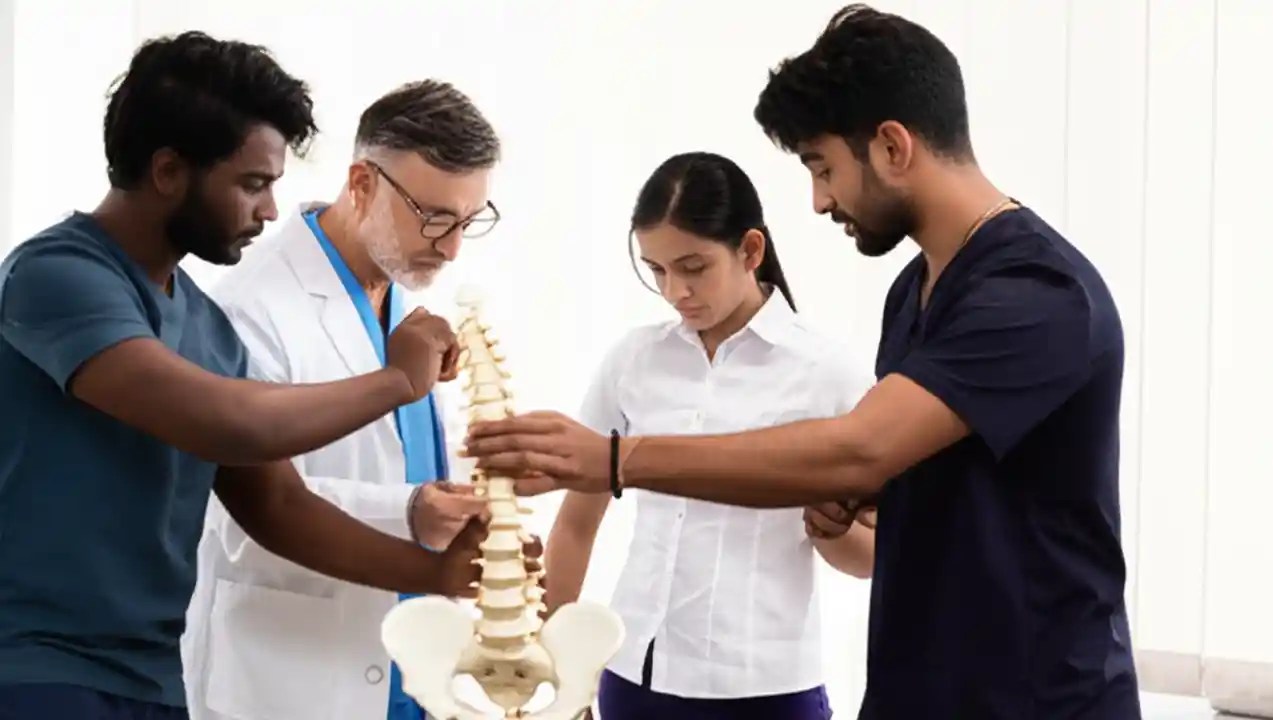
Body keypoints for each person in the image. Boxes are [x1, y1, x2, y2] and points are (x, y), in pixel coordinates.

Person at [463, 5, 1141, 720]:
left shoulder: (1036, 293)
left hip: (1036, 699)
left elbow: (860, 447)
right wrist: (859, 507)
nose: (818, 201)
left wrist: (615, 459)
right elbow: (919, 481)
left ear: (892, 146)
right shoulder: (914, 293)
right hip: (920, 688)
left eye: (824, 168)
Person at [0, 32, 493, 720]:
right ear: (169, 171)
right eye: (253, 184)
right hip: (40, 667)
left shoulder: (204, 326)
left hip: (150, 677)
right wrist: (396, 382)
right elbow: (231, 423)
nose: (268, 209)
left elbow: (277, 505)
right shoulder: (56, 276)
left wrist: (440, 572)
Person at [181, 79, 503, 720]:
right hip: (293, 683)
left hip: (413, 675)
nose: (451, 247)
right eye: (435, 217)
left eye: (468, 222)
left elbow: (400, 466)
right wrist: (410, 513)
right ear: (362, 184)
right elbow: (238, 510)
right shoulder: (250, 310)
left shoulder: (405, 299)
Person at [542, 151, 874, 720]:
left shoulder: (827, 373)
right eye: (657, 271)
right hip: (634, 677)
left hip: (768, 690)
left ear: (751, 250)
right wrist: (558, 676)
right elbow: (576, 524)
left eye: (693, 267)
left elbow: (874, 556)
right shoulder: (633, 360)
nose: (675, 291)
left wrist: (830, 529)